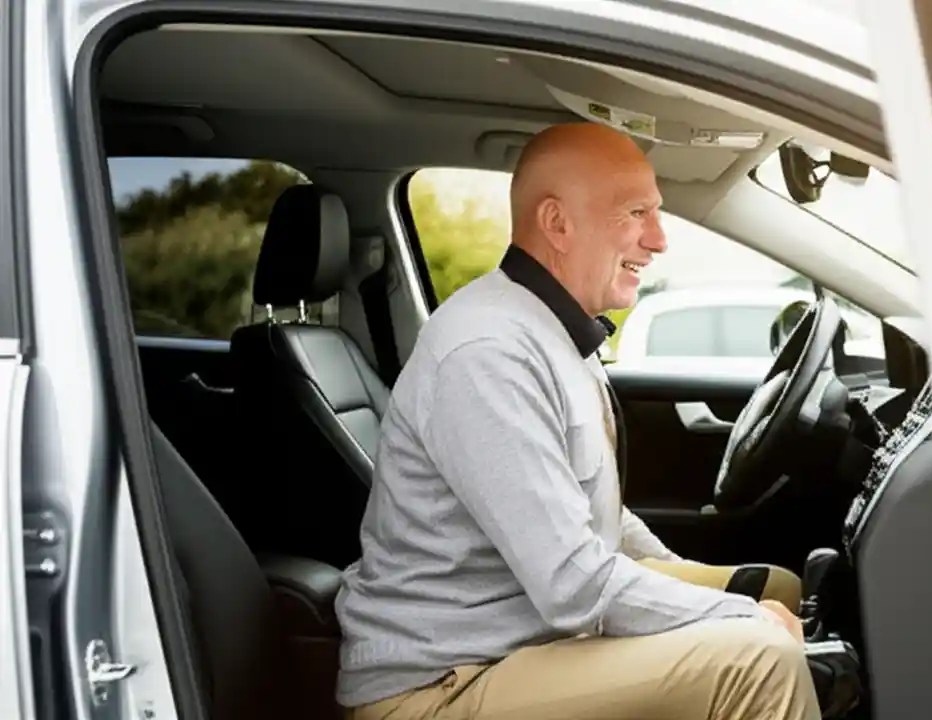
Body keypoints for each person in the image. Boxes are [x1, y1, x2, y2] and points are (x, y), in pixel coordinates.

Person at [334, 122, 821, 719]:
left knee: (779, 588)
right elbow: (574, 586)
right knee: (759, 657)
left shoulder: (551, 330)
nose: (660, 238)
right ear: (558, 224)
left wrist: (696, 583)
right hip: (441, 684)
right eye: (636, 212)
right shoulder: (488, 352)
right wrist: (738, 617)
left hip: (518, 645)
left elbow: (599, 519)